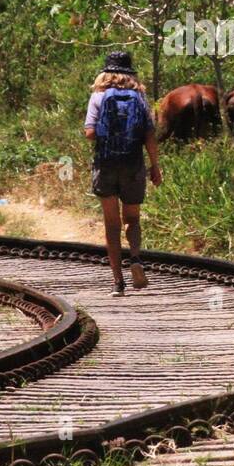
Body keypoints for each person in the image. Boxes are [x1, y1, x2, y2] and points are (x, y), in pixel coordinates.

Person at [83, 51, 163, 296]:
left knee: (111, 225)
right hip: (133, 164)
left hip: (106, 164)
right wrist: (155, 166)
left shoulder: (98, 96)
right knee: (133, 219)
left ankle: (118, 282)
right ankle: (136, 258)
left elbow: (89, 132)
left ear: (105, 72)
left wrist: (108, 134)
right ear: (131, 73)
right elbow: (149, 136)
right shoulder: (139, 97)